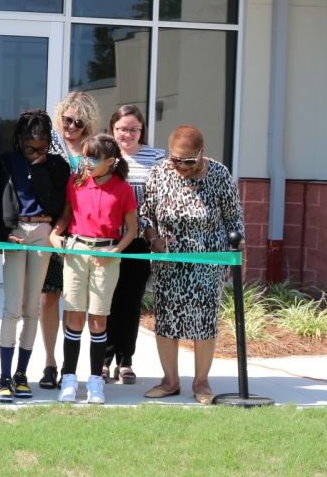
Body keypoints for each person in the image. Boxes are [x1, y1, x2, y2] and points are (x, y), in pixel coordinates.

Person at [139, 125, 243, 405]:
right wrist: (153, 239)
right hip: (169, 263)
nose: (181, 166)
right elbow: (145, 215)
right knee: (167, 321)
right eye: (175, 159)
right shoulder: (160, 172)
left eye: (188, 160)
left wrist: (236, 250)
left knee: (204, 322)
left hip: (207, 263)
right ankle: (170, 381)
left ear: (201, 153)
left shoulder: (219, 174)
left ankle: (201, 382)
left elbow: (234, 219)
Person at [0, 110, 70, 403]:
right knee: (12, 306)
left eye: (41, 149)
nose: (35, 153)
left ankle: (21, 374)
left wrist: (40, 168)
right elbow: (0, 198)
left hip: (42, 231)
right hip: (16, 232)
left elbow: (56, 203)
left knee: (32, 306)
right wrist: (4, 234)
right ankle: (3, 377)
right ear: (19, 141)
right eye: (30, 148)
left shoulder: (56, 165)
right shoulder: (8, 161)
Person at [48, 134, 138, 404]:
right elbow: (66, 216)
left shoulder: (123, 189)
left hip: (106, 256)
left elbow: (132, 230)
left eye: (92, 158)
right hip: (76, 251)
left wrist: (116, 250)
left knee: (98, 319)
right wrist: (55, 235)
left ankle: (96, 381)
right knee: (73, 317)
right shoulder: (75, 182)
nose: (85, 162)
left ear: (110, 162)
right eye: (83, 156)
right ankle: (69, 378)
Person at [38, 91, 100, 389]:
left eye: (79, 122)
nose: (72, 126)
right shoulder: (47, 143)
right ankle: (50, 363)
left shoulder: (94, 148)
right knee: (50, 297)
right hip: (53, 230)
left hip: (86, 235)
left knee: (78, 304)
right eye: (67, 119)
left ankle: (70, 366)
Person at [102, 104, 165, 385]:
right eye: (121, 129)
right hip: (105, 240)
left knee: (130, 302)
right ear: (111, 129)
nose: (127, 134)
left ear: (142, 131)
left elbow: (161, 199)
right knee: (105, 301)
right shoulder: (103, 154)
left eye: (133, 129)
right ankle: (102, 360)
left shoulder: (157, 158)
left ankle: (125, 361)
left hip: (139, 241)